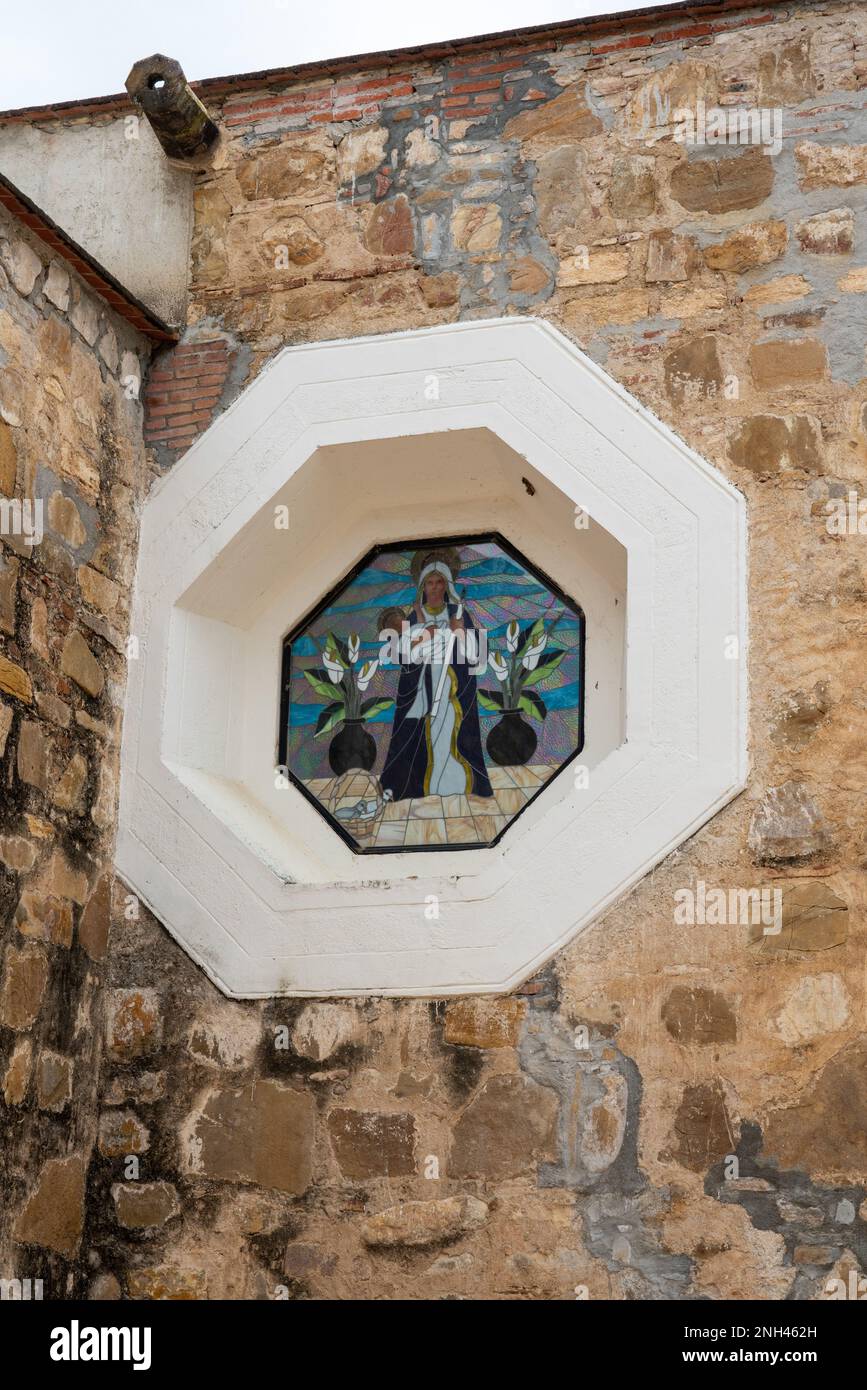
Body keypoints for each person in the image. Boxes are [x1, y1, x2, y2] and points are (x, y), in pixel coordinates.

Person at [380, 551, 493, 802]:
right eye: (430, 583)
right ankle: (420, 788)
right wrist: (422, 638)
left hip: (454, 690)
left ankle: (457, 786)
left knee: (452, 734)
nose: (434, 588)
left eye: (439, 582)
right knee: (423, 735)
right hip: (423, 689)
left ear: (447, 584)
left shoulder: (458, 614)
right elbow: (403, 659)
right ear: (422, 586)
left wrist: (460, 632)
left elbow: (477, 656)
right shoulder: (413, 617)